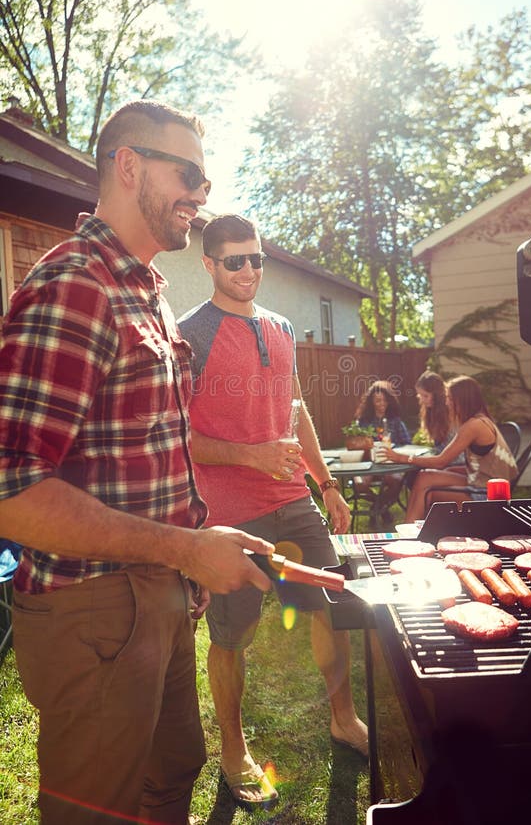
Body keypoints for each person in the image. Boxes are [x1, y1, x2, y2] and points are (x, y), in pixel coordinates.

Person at [0, 101, 274, 825]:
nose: (203, 194)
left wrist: (188, 559)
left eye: (206, 178)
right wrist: (185, 549)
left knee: (173, 769)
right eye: (189, 173)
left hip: (160, 589)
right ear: (129, 165)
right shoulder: (74, 287)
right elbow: (11, 491)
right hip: (92, 610)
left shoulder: (146, 288)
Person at [178, 213, 368, 811]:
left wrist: (327, 484)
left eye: (255, 258)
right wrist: (250, 455)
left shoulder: (281, 325)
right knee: (234, 636)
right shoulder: (190, 334)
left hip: (293, 501)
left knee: (330, 609)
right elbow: (177, 435)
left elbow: (296, 409)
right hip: (228, 514)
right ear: (208, 264)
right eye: (234, 261)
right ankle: (233, 750)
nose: (249, 271)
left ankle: (344, 718)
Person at [385, 375, 518, 521]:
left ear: (462, 400)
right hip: (479, 482)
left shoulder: (473, 426)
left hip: (487, 495)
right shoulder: (481, 420)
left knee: (427, 487)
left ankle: (409, 533)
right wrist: (450, 472)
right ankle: (413, 530)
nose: (447, 402)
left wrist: (401, 458)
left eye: (450, 398)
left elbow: (440, 461)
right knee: (425, 477)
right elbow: (482, 463)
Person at [351, 380, 411, 523]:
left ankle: (376, 508)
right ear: (371, 402)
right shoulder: (363, 422)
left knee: (396, 481)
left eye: (385, 400)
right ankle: (381, 507)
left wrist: (395, 450)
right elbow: (356, 444)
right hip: (368, 464)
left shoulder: (395, 421)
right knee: (359, 484)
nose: (382, 404)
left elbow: (407, 443)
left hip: (390, 464)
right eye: (378, 400)